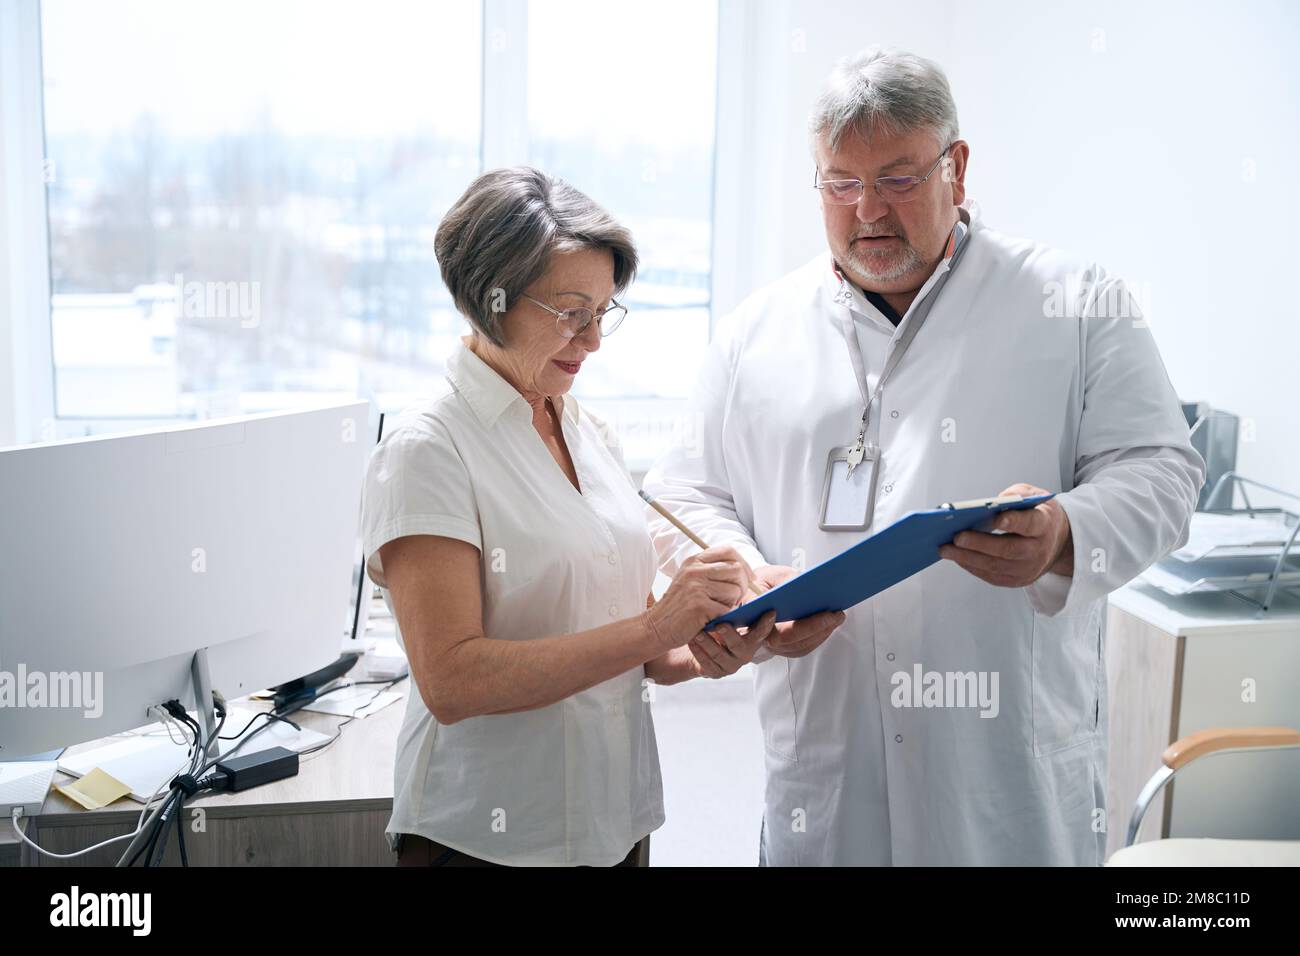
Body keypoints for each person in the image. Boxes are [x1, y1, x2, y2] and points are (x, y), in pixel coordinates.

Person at [642, 47, 1205, 866]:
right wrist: (741, 580)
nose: (868, 210)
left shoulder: (1076, 302)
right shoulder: (755, 332)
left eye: (899, 179)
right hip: (826, 765)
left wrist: (1063, 532)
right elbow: (683, 492)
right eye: (840, 183)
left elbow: (1164, 472)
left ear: (957, 168)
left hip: (1000, 764)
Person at [360, 166, 797, 866]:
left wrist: (723, 636)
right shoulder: (427, 449)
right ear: (491, 297)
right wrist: (658, 623)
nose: (593, 341)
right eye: (570, 313)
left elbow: (644, 650)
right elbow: (452, 681)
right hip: (487, 840)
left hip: (613, 823)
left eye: (603, 312)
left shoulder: (587, 431)